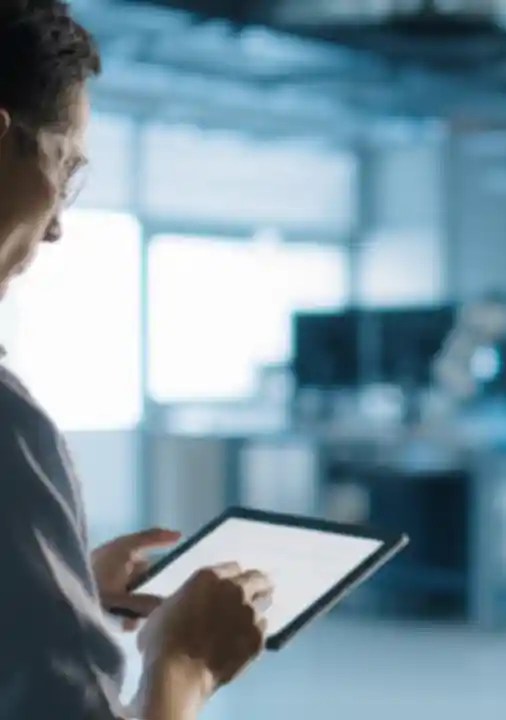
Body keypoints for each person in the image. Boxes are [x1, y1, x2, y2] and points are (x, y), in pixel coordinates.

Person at [0, 2, 274, 718]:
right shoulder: (7, 427)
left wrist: (59, 595)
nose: (58, 223)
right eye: (66, 167)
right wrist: (183, 662)